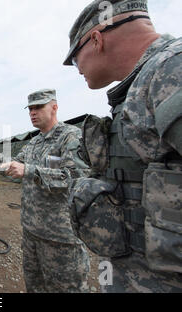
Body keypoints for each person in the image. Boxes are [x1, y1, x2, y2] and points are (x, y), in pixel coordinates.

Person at [64, 0, 182, 292]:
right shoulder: (145, 82)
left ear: (96, 39)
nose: (77, 69)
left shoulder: (171, 69)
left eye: (76, 59)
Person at [0, 89, 91, 293]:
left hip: (61, 237)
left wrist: (29, 170)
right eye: (30, 109)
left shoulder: (70, 137)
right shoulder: (35, 142)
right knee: (35, 286)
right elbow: (15, 167)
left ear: (54, 107)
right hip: (32, 232)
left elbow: (78, 178)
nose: (33, 112)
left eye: (38, 107)